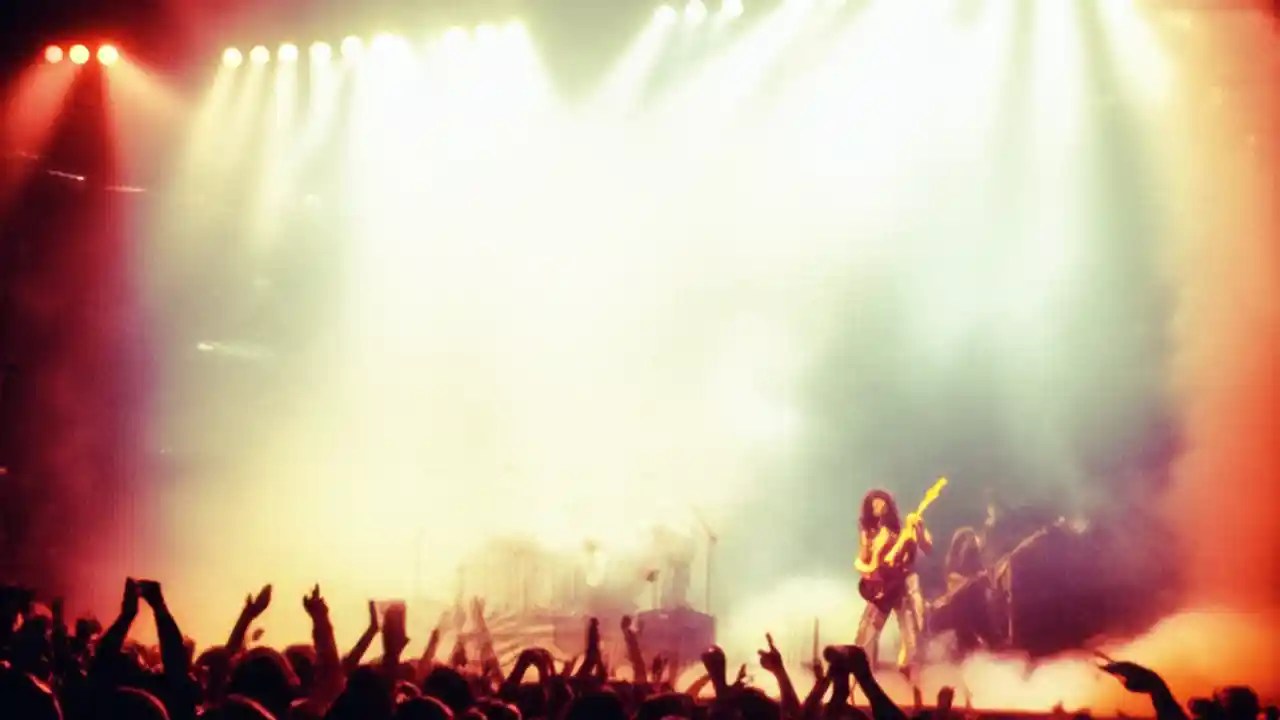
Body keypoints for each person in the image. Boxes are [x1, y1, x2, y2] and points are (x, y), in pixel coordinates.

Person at [853, 489, 932, 680]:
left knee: (910, 631)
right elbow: (863, 559)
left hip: (904, 584)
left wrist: (919, 529)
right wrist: (868, 571)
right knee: (869, 630)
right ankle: (863, 670)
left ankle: (909, 671)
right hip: (883, 586)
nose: (878, 507)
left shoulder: (905, 527)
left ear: (888, 505)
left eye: (881, 503)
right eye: (874, 505)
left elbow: (927, 547)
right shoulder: (869, 532)